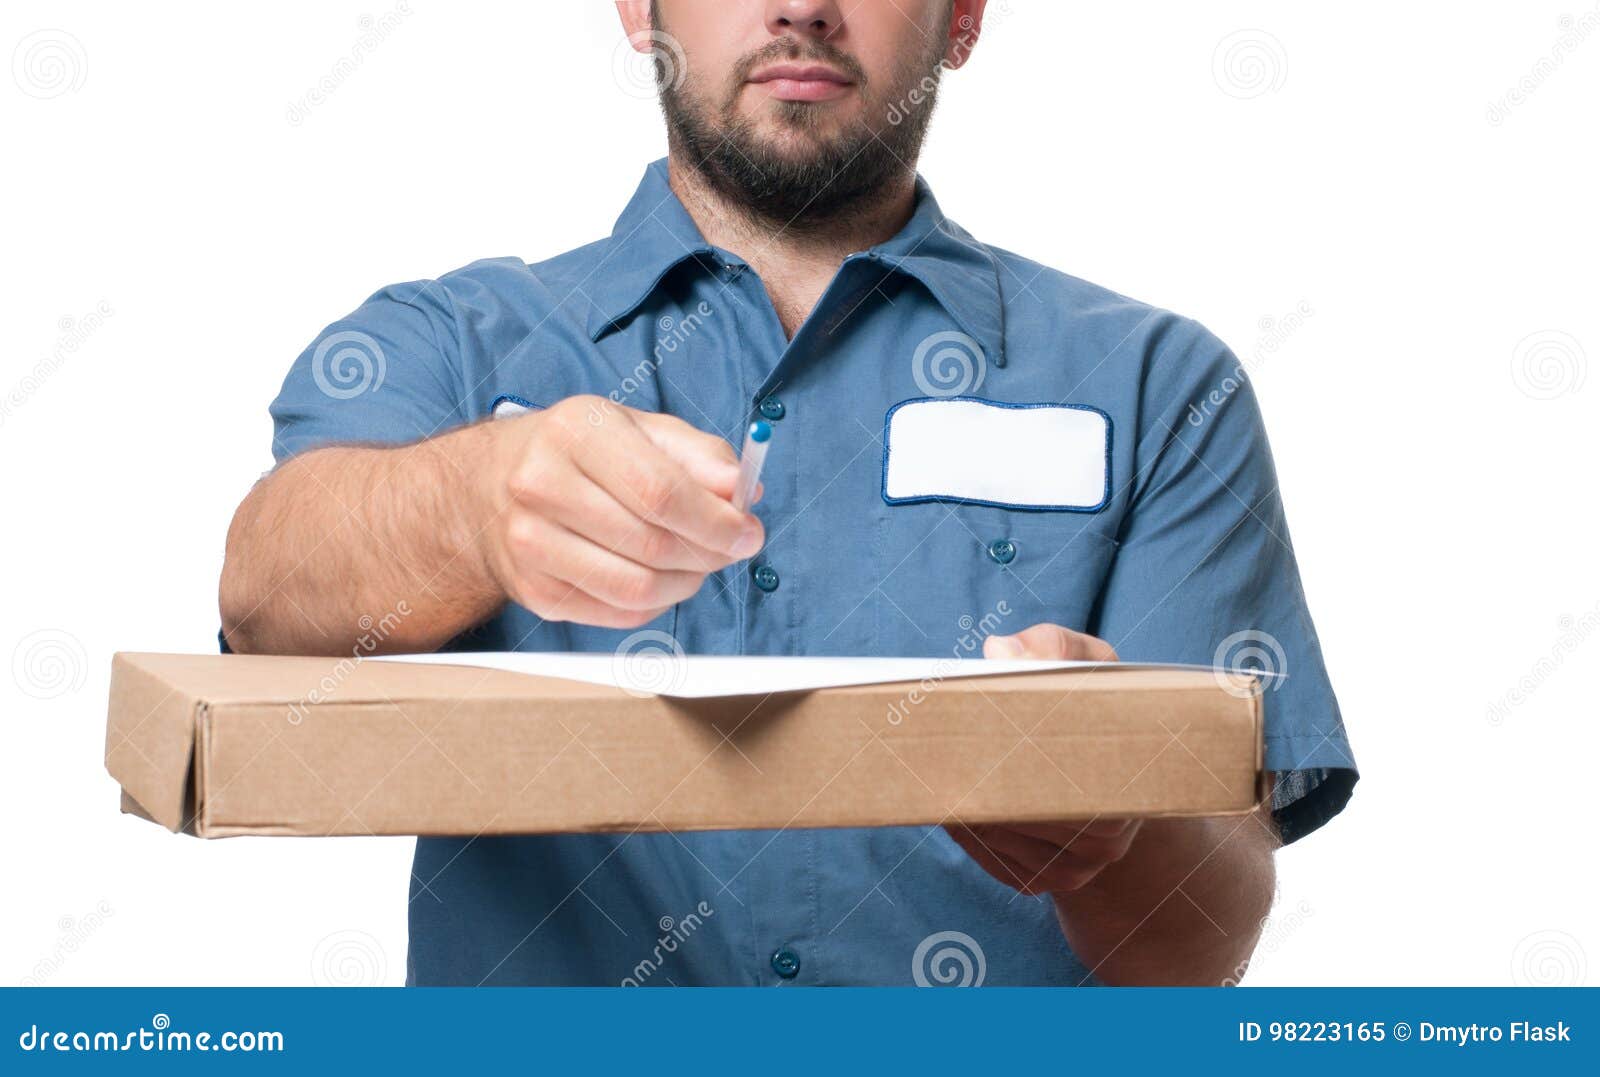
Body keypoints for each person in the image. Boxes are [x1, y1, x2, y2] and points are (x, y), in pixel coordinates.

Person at [219, 0, 1356, 986]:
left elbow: (1198, 946)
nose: (802, 5)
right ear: (639, 9)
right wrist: (471, 506)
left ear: (962, 16)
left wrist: (1118, 821)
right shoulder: (452, 343)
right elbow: (266, 602)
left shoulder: (1159, 385)